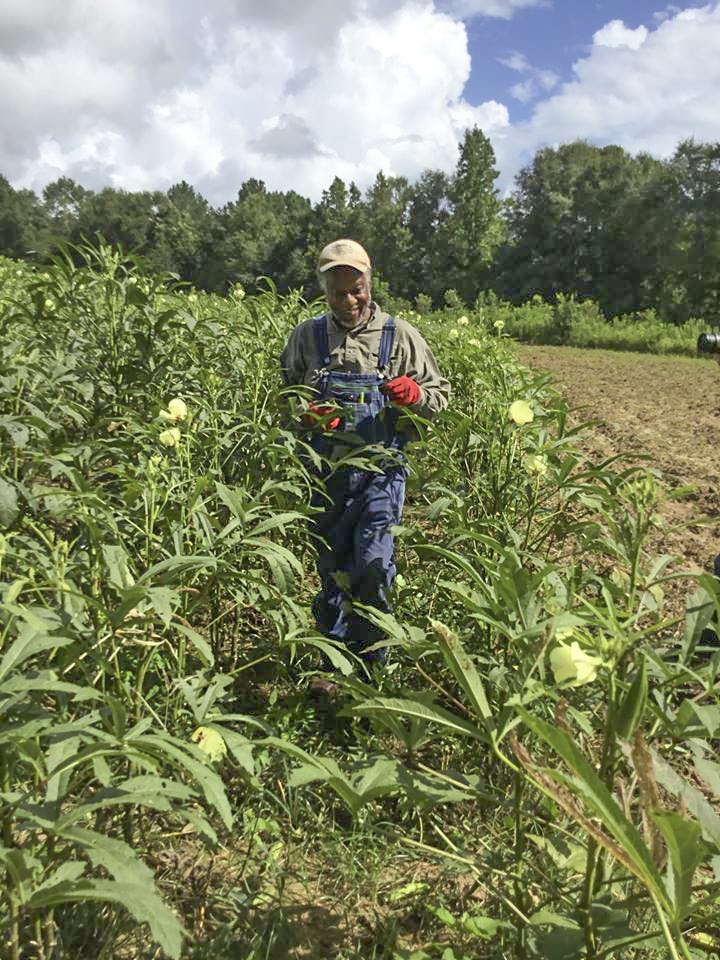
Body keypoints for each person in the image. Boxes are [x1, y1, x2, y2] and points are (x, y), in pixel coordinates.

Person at [280, 239, 449, 690]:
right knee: (333, 571)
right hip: (327, 475)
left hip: (382, 473)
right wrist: (306, 415)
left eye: (357, 289)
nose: (349, 301)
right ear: (324, 291)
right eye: (338, 293)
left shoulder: (400, 335)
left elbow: (439, 396)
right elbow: (283, 397)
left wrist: (416, 397)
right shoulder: (307, 337)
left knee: (373, 567)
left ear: (369, 283)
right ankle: (332, 670)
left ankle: (373, 668)